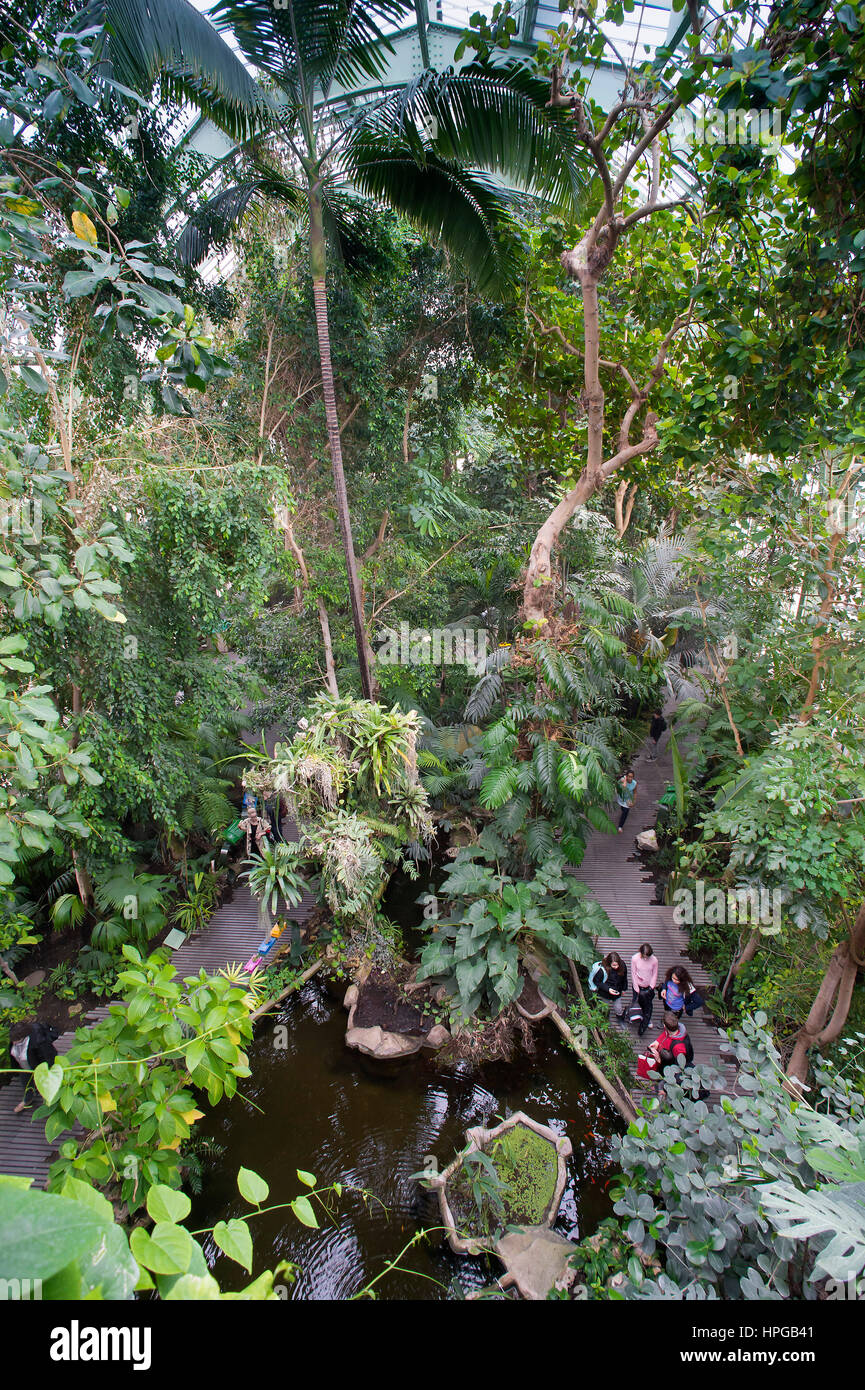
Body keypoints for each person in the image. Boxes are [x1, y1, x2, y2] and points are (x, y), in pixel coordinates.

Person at [11, 1020, 60, 1113]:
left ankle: (50, 1101)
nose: (14, 1043)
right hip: (25, 1067)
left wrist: (49, 1069)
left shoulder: (38, 1041)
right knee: (26, 1083)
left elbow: (48, 1055)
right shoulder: (15, 1041)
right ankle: (27, 1100)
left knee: (44, 1084)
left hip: (39, 1066)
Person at [630, 943, 657, 1036]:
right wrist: (636, 987)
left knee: (647, 1004)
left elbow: (654, 974)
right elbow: (633, 973)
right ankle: (635, 1015)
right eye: (644, 956)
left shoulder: (654, 960)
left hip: (648, 987)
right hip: (638, 986)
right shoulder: (635, 958)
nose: (645, 958)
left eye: (647, 956)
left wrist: (651, 986)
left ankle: (647, 1019)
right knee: (636, 1001)